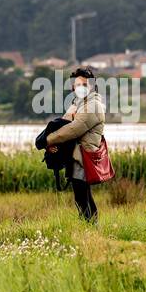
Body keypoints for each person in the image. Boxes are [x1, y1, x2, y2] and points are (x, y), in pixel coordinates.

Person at [46, 67, 107, 222]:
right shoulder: (78, 103)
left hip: (83, 156)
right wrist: (53, 145)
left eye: (84, 84)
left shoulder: (92, 105)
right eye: (77, 85)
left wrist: (46, 140)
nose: (79, 88)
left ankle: (89, 230)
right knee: (83, 196)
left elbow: (73, 129)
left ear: (92, 85)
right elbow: (63, 127)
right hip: (76, 155)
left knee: (81, 197)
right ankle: (92, 230)